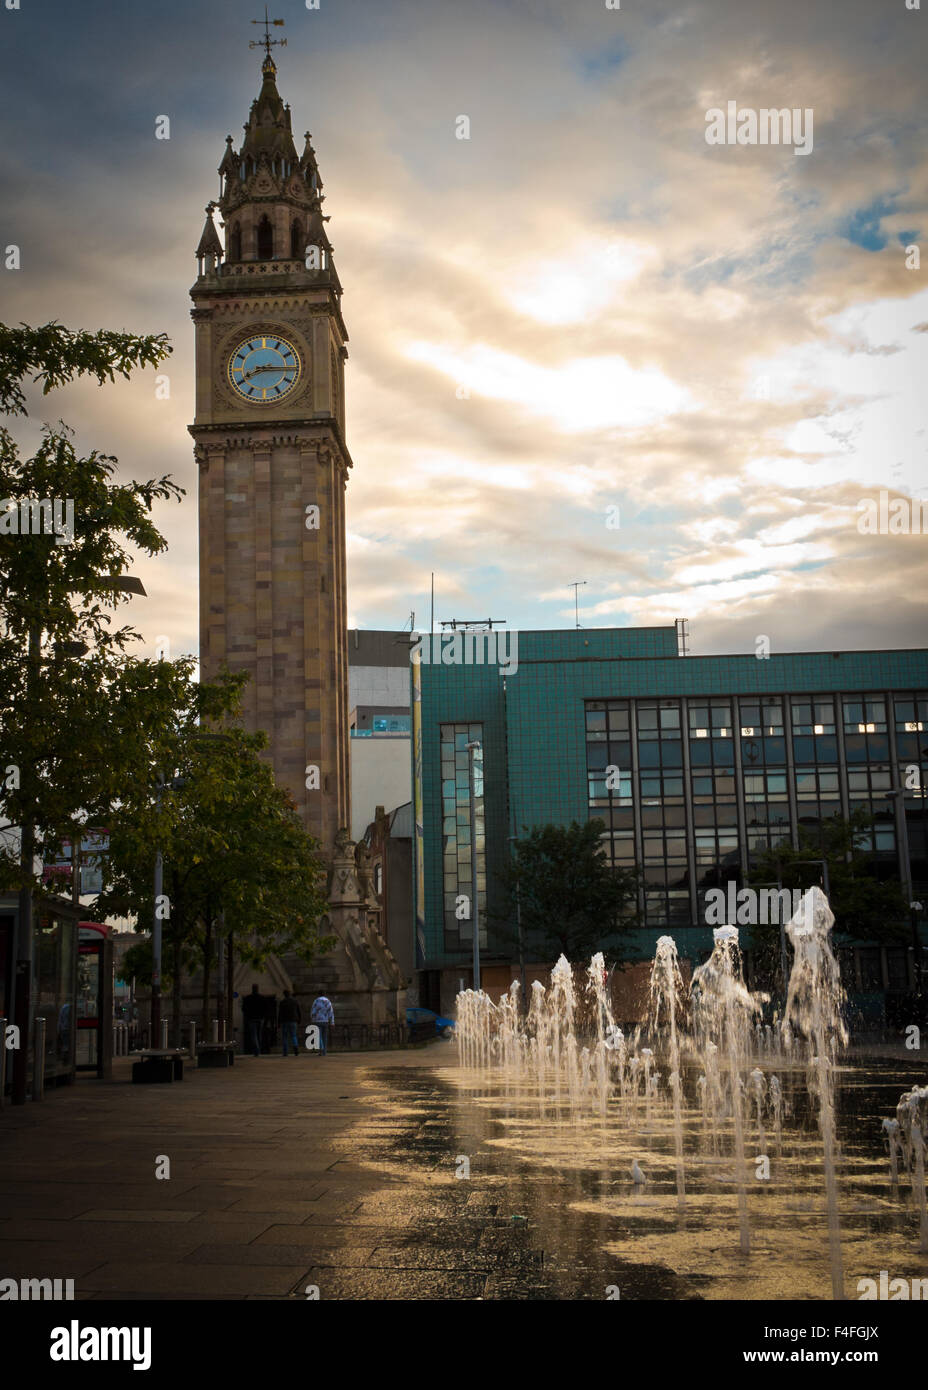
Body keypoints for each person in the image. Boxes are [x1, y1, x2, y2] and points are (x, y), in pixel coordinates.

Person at [241, 984, 264, 1057]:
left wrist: (248, 1015)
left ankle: (256, 1050)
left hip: (251, 1019)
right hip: (260, 1018)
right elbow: (265, 1008)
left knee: (254, 1036)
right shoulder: (261, 998)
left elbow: (244, 1009)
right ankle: (258, 1050)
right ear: (258, 989)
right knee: (259, 1035)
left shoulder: (248, 998)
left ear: (252, 989)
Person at [309, 990, 334, 1055]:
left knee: (318, 1036)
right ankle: (324, 1052)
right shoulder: (328, 1001)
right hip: (325, 1021)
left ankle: (321, 1048)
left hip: (317, 1020)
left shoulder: (316, 1001)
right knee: (324, 1037)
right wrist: (332, 1022)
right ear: (324, 994)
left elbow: (313, 1011)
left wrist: (312, 1018)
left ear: (318, 994)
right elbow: (331, 1012)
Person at [278, 989, 302, 1056]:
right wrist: (299, 1020)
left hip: (284, 1021)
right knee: (293, 1035)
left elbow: (280, 1013)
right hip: (293, 1021)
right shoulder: (295, 1001)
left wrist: (279, 1023)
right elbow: (298, 1011)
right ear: (290, 994)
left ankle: (285, 1052)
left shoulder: (282, 1002)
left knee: (285, 1037)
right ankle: (296, 1049)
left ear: (284, 994)